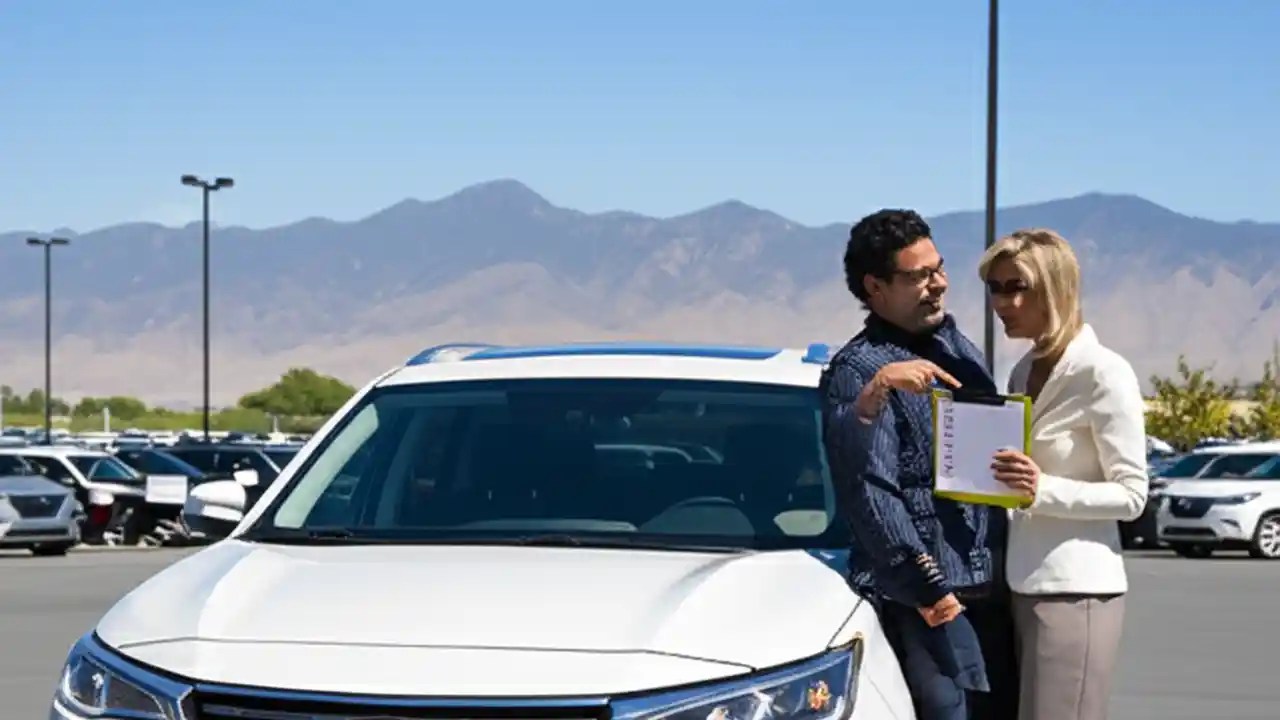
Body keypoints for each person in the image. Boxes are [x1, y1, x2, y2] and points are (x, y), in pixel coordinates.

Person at [819, 209, 1019, 720]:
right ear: (876, 287)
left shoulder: (960, 350)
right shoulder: (859, 371)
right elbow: (868, 488)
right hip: (929, 603)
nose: (939, 285)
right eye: (919, 276)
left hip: (992, 588)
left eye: (939, 269)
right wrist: (929, 589)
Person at [978, 228, 1148, 720]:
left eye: (1017, 287)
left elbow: (1133, 495)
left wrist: (1042, 490)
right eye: (995, 287)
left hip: (1078, 591)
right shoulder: (1020, 372)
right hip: (1019, 583)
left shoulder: (1103, 372)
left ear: (1056, 289)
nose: (1003, 302)